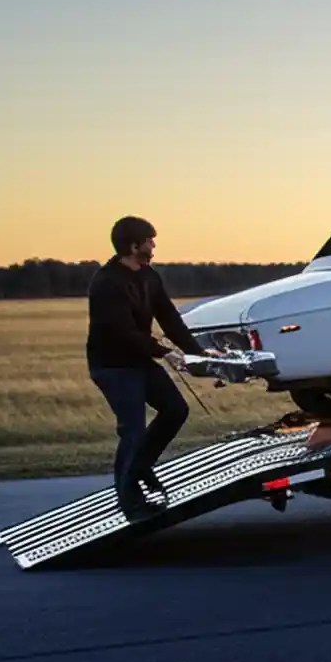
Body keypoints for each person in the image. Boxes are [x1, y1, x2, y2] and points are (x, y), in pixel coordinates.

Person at [86, 215, 219, 520]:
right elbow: (122, 332)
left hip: (140, 360)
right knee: (132, 430)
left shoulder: (149, 277)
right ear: (134, 246)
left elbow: (169, 318)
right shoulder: (107, 283)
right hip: (113, 366)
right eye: (149, 241)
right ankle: (130, 502)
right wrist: (165, 353)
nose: (154, 246)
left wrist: (197, 353)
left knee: (175, 410)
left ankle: (141, 466)